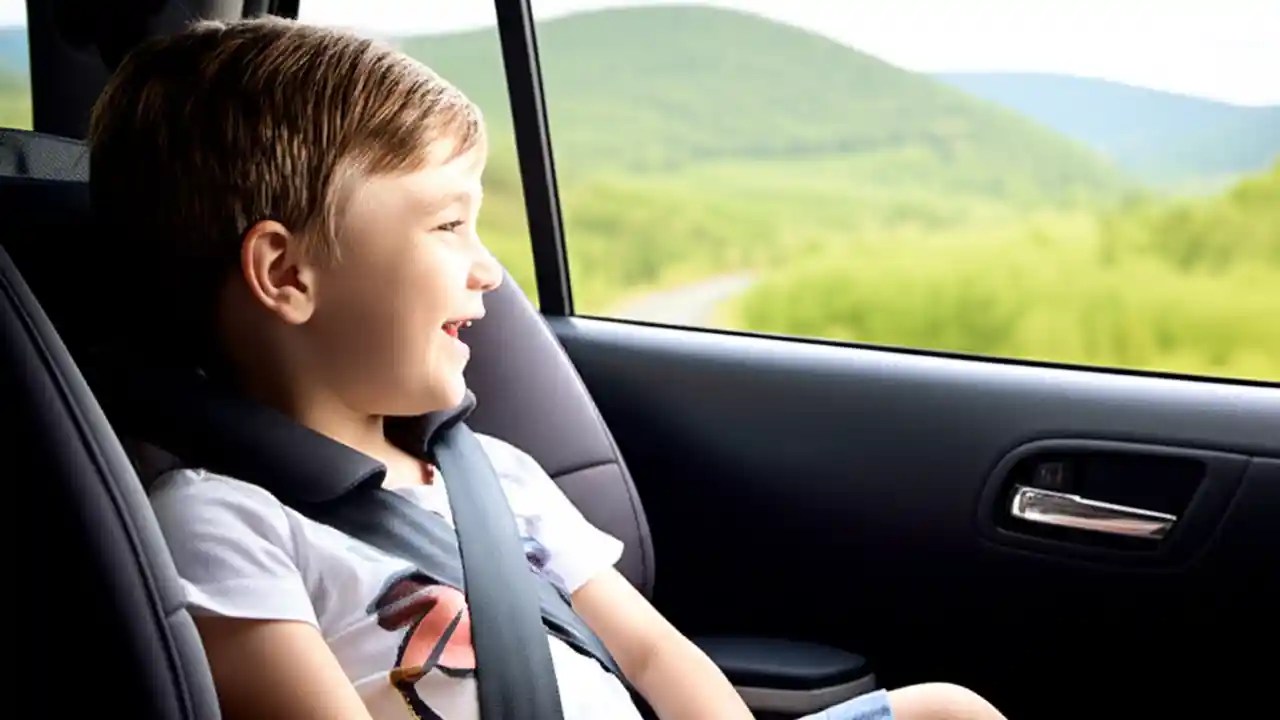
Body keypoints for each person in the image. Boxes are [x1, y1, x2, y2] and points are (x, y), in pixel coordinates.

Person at [87, 16, 1007, 720]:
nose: (488, 269)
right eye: (448, 224)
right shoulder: (224, 524)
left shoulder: (497, 476)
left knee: (949, 709)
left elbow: (653, 657)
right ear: (286, 274)